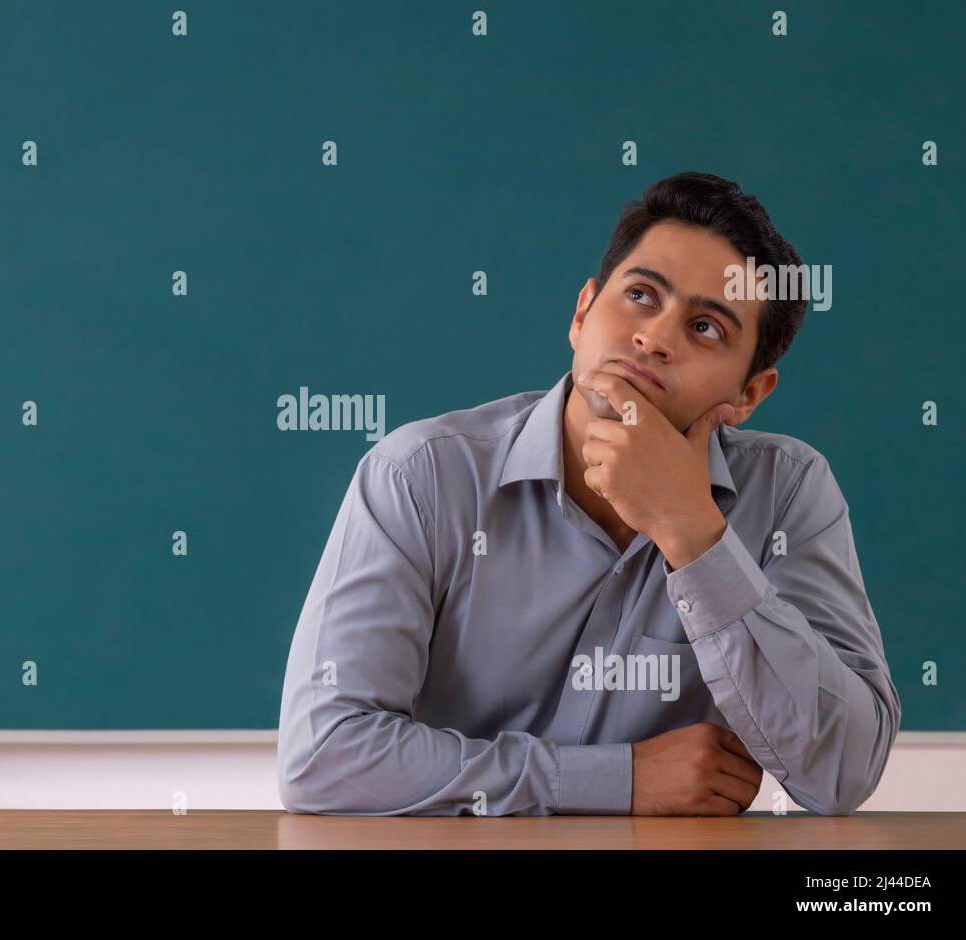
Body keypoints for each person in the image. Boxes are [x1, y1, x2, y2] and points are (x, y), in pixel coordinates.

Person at [276, 171, 900, 816]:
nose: (655, 338)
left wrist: (694, 534)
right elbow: (324, 757)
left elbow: (843, 773)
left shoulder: (790, 493)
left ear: (748, 394)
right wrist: (620, 780)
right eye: (640, 295)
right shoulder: (420, 476)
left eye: (707, 328)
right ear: (582, 312)